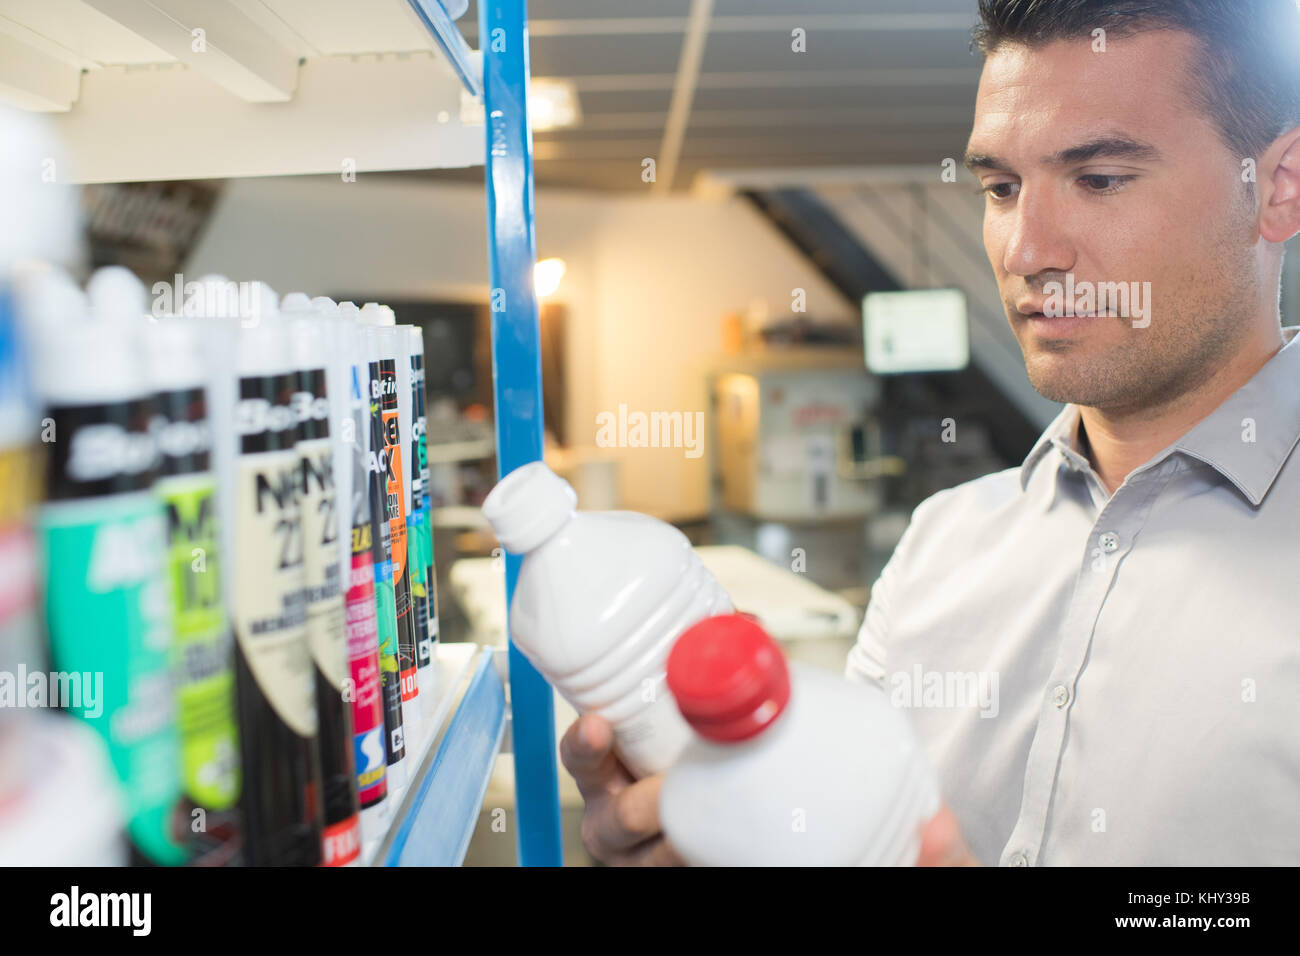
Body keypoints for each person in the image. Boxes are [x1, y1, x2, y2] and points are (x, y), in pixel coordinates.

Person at [561, 0, 1300, 866]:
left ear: (1278, 188)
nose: (1027, 250)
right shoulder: (939, 548)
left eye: (1099, 179)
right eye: (1000, 188)